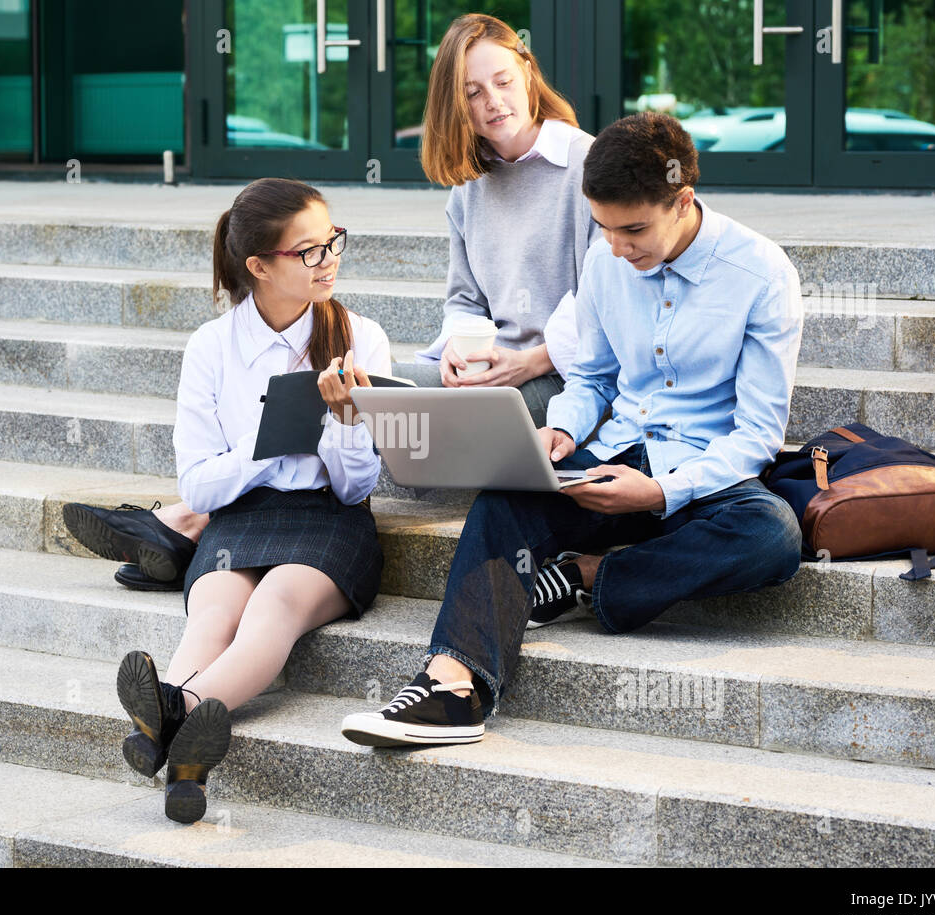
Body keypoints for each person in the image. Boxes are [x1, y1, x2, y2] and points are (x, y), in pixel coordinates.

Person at [342, 113, 806, 747]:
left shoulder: (762, 275)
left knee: (772, 534)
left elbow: (756, 435)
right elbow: (591, 378)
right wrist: (560, 431)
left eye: (634, 229)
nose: (618, 247)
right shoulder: (606, 258)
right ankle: (453, 685)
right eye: (606, 228)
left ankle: (585, 576)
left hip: (701, 476)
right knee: (507, 492)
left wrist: (661, 492)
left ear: (683, 201)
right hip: (613, 453)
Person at [115, 179, 392, 821]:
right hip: (240, 515)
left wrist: (347, 424)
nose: (329, 261)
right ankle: (185, 758)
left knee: (270, 607)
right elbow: (198, 487)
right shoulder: (212, 347)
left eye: (332, 243)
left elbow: (356, 488)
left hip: (329, 523)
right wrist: (269, 442)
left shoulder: (360, 337)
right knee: (212, 611)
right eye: (309, 252)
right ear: (260, 266)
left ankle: (165, 713)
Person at [392, 13, 597, 429]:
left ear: (528, 73)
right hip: (491, 372)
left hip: (569, 377)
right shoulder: (469, 186)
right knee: (381, 396)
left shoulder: (588, 165)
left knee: (416, 419)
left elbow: (610, 302)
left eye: (503, 82)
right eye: (473, 92)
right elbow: (466, 300)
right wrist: (456, 347)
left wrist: (530, 362)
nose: (494, 102)